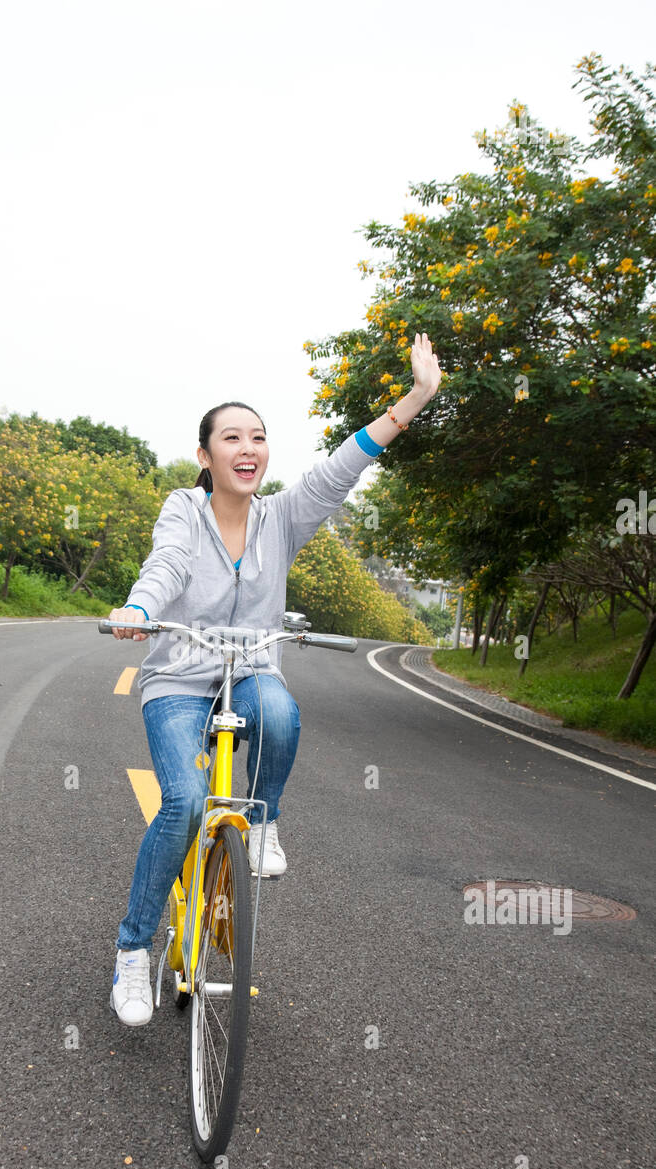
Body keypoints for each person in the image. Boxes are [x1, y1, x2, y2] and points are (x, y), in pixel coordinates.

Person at [107, 333, 442, 1024]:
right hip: (177, 677)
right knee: (185, 802)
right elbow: (166, 564)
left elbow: (343, 467)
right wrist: (141, 609)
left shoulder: (282, 517)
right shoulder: (183, 509)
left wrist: (416, 398)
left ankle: (264, 826)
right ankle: (133, 951)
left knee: (282, 715)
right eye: (231, 437)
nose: (247, 447)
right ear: (207, 456)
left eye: (257, 436)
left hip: (249, 672)